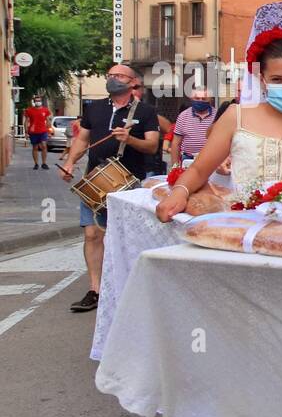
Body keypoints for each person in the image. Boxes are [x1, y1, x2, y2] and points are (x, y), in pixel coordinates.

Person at [155, 5, 282, 222]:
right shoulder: (235, 116)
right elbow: (200, 169)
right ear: (262, 79)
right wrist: (180, 192)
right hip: (240, 228)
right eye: (277, 79)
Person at [59, 64, 161, 312]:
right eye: (110, 75)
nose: (113, 79)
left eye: (119, 76)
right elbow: (82, 139)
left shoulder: (145, 111)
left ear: (132, 82)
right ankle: (95, 289)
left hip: (129, 182)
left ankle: (130, 286)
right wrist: (70, 162)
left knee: (125, 235)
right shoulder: (93, 108)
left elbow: (152, 146)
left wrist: (129, 139)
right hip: (94, 179)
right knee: (92, 234)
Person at [169, 87, 217, 167]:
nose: (200, 101)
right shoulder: (183, 116)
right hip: (188, 159)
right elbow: (176, 143)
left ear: (210, 100)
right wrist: (175, 166)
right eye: (197, 98)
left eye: (204, 99)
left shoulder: (218, 116)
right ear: (191, 98)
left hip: (211, 159)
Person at [23, 98, 53, 170]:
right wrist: (26, 132)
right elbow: (26, 121)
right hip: (33, 132)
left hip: (43, 131)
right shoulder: (29, 110)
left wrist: (49, 131)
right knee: (35, 147)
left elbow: (48, 121)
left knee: (44, 146)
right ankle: (36, 163)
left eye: (39, 101)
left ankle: (44, 163)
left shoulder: (45, 110)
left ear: (41, 101)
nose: (38, 102)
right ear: (34, 102)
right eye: (36, 101)